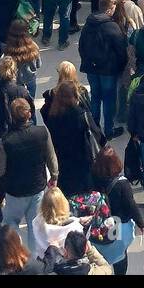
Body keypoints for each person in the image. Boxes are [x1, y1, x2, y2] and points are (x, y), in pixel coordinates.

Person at [0, 97, 59, 249]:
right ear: (29, 114)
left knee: (11, 223)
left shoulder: (6, 141)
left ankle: (16, 254)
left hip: (14, 191)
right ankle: (34, 261)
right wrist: (54, 176)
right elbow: (51, 157)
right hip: (37, 188)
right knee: (34, 226)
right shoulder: (42, 133)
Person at [41, 65, 100, 196]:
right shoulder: (81, 114)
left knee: (66, 191)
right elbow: (96, 133)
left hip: (62, 156)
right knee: (84, 192)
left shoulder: (53, 114)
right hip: (82, 156)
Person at [77, 0, 128, 137]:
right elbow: (121, 50)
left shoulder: (88, 24)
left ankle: (94, 128)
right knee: (108, 99)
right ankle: (109, 130)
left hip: (91, 68)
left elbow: (81, 46)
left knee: (95, 97)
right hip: (108, 70)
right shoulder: (112, 27)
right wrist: (121, 66)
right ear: (110, 9)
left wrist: (87, 61)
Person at [89, 145, 144, 274]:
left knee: (100, 257)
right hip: (119, 226)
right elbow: (131, 206)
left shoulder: (92, 178)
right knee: (120, 256)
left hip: (99, 226)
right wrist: (140, 223)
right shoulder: (122, 183)